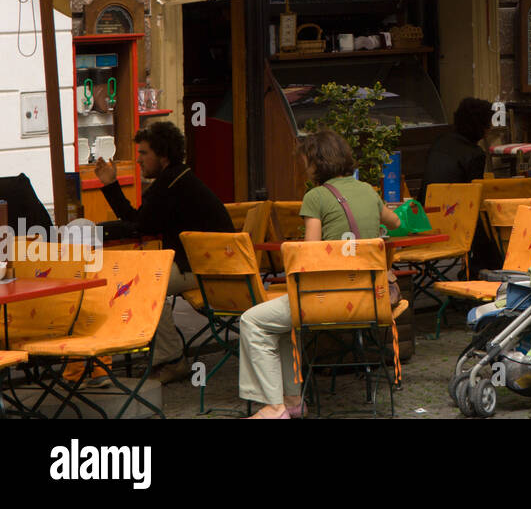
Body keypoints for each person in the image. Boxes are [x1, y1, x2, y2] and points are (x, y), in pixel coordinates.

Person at [238, 128, 400, 419]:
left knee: (252, 320)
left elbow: (310, 255)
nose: (304, 169)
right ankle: (292, 401)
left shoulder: (316, 197)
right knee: (281, 326)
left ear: (317, 162)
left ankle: (274, 409)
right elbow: (396, 222)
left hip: (327, 300)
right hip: (369, 301)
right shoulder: (367, 190)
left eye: (306, 162)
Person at [94, 120, 233, 382]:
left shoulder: (170, 184)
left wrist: (111, 187)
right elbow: (142, 224)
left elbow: (139, 225)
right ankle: (165, 354)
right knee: (143, 281)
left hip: (209, 267)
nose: (138, 160)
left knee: (143, 285)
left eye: (144, 153)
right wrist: (110, 185)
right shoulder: (177, 179)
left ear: (163, 155)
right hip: (208, 262)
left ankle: (171, 358)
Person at [422, 97, 493, 188]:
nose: (491, 126)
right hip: (452, 201)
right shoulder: (475, 154)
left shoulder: (440, 142)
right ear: (481, 125)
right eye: (489, 123)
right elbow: (474, 193)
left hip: (426, 201)